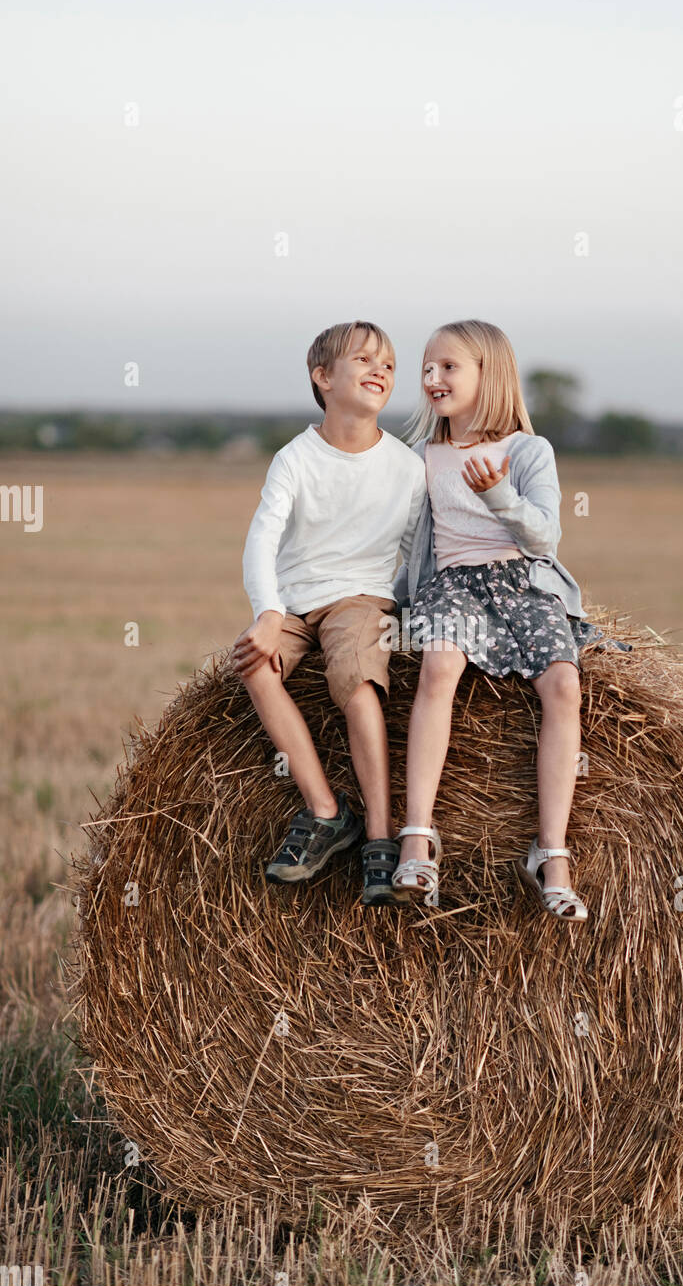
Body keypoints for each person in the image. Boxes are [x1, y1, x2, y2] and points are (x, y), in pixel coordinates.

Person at [392, 319, 602, 919]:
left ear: (491, 372)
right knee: (438, 669)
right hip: (452, 584)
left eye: (448, 367)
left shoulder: (529, 451)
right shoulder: (420, 457)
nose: (433, 378)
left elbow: (546, 534)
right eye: (427, 368)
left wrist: (501, 495)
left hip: (522, 582)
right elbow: (403, 544)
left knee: (564, 685)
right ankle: (417, 838)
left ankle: (552, 854)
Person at [231, 320, 426, 906]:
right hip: (293, 600)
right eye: (364, 360)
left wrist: (416, 619)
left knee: (355, 680)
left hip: (361, 598)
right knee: (254, 666)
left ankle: (380, 837)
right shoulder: (295, 458)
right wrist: (267, 614)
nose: (380, 371)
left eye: (389, 365)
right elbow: (261, 540)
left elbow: (418, 555)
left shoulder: (406, 467)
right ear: (323, 377)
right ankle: (325, 811)